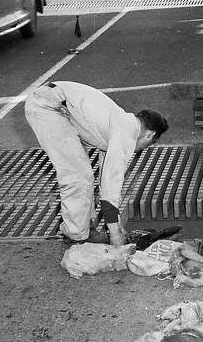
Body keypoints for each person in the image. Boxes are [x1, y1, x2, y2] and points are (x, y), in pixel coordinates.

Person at [24, 81, 169, 249]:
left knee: (83, 172)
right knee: (77, 175)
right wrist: (115, 234)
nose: (142, 149)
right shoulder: (127, 133)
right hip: (47, 107)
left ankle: (83, 230)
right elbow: (110, 187)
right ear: (150, 134)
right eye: (148, 144)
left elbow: (104, 177)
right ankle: (76, 237)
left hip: (52, 101)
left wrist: (116, 225)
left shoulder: (120, 122)